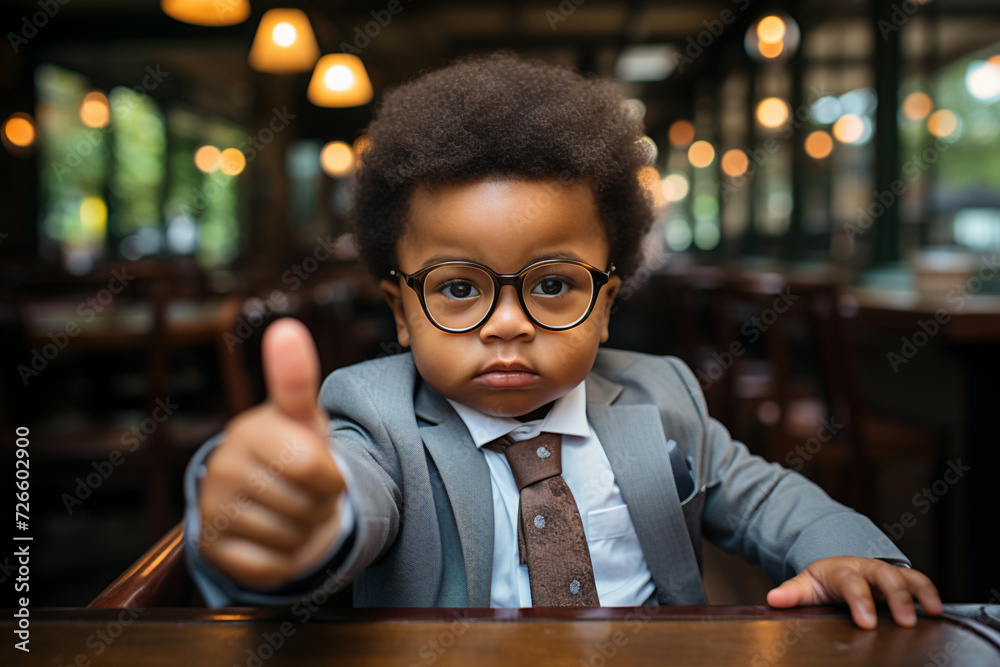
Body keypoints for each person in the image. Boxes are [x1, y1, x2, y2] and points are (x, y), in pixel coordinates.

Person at [184, 51, 942, 628]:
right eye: (457, 287)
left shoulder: (659, 396)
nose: (507, 321)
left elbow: (764, 496)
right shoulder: (376, 420)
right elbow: (345, 495)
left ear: (606, 304)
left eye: (552, 285)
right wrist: (290, 510)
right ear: (401, 311)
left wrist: (843, 548)